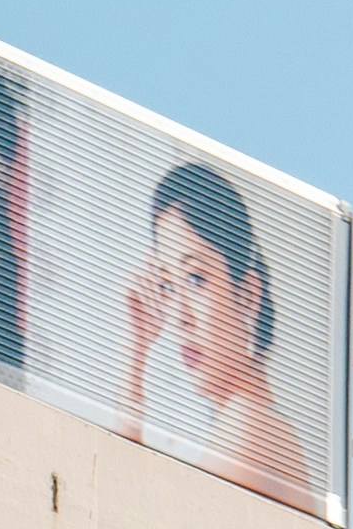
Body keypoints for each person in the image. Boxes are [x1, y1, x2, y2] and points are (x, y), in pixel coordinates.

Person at [123, 159, 316, 510]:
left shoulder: (245, 426)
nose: (179, 317)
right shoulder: (256, 420)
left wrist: (134, 360)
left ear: (247, 296)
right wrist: (138, 348)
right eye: (166, 285)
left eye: (196, 279)